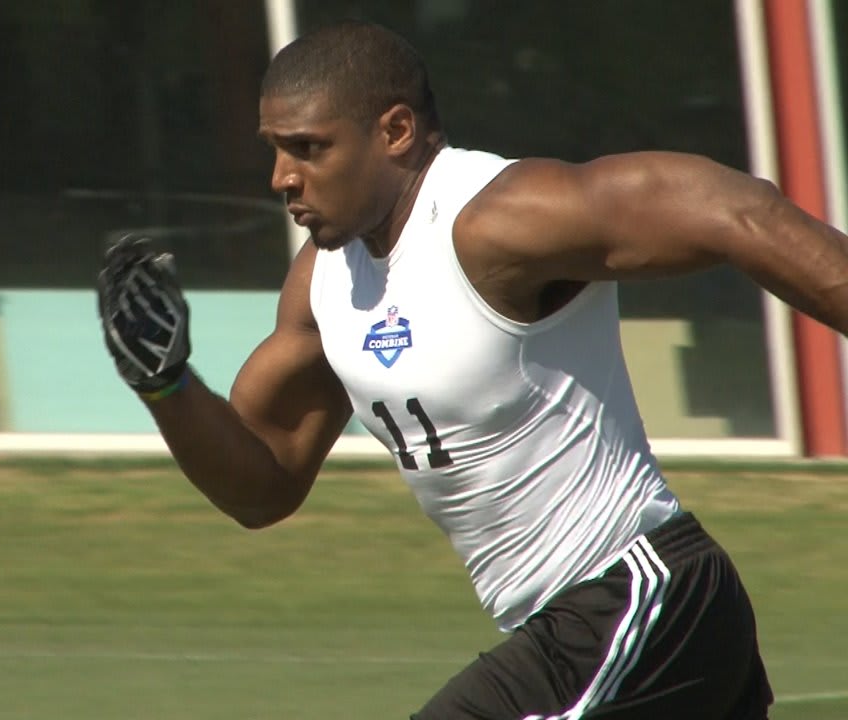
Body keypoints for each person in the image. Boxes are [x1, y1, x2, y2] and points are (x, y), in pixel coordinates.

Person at [97, 20, 848, 720]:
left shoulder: (497, 218)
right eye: (274, 149)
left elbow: (736, 210)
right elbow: (262, 485)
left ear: (395, 132)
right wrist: (165, 385)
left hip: (638, 601)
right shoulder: (324, 283)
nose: (281, 177)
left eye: (308, 148)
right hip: (589, 623)